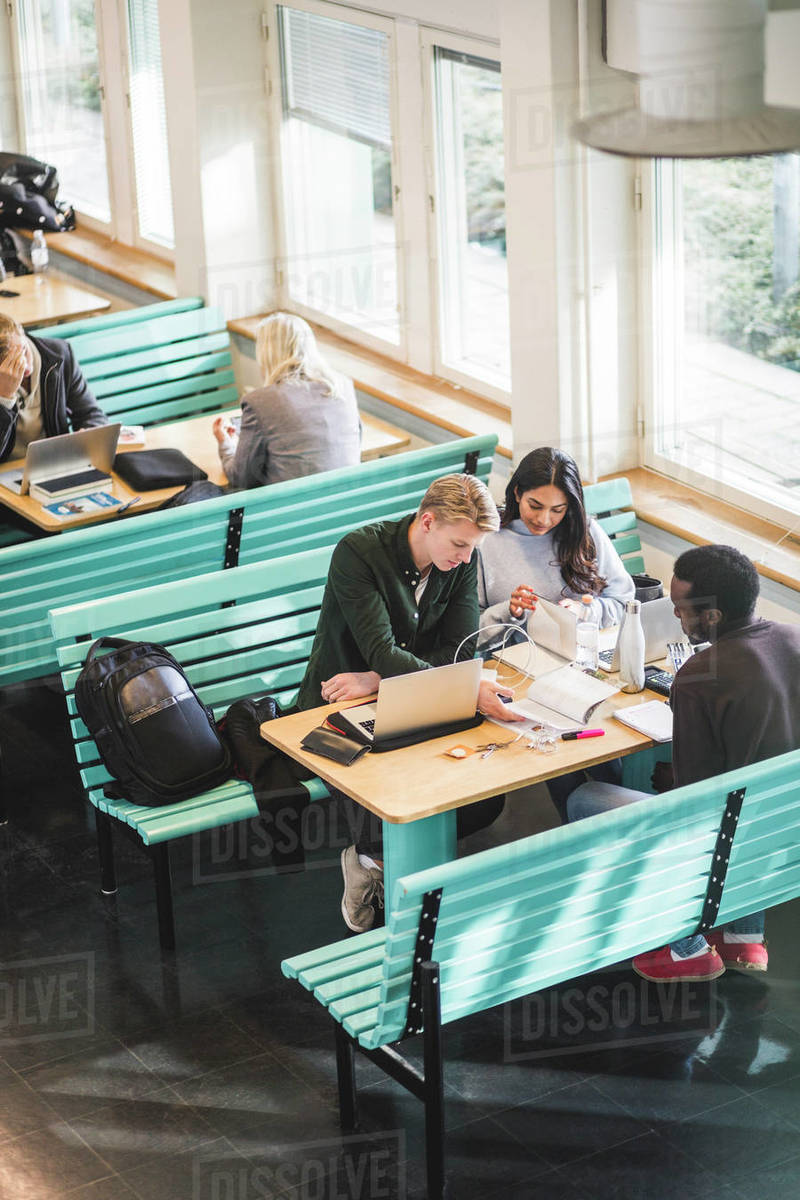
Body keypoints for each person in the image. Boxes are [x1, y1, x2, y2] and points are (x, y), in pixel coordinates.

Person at [296, 472, 524, 933]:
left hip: (400, 692)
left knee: (485, 801)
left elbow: (462, 651)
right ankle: (378, 867)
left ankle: (377, 862)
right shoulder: (359, 552)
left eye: (472, 548)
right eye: (459, 544)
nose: (465, 558)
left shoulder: (461, 560)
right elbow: (382, 648)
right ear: (427, 522)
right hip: (334, 704)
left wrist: (379, 679)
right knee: (387, 797)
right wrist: (422, 678)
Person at [567, 544, 800, 982]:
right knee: (758, 805)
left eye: (679, 609)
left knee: (586, 797)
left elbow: (694, 803)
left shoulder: (699, 674)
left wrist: (674, 778)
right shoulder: (794, 638)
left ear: (711, 616)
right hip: (788, 828)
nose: (676, 617)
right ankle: (743, 937)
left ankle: (684, 948)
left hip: (730, 836)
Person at [478, 446, 635, 820]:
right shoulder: (488, 541)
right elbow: (469, 627)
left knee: (606, 747)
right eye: (535, 505)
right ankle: (579, 825)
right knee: (559, 747)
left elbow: (623, 598)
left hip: (588, 666)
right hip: (520, 676)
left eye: (558, 510)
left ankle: (601, 823)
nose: (544, 519)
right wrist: (510, 612)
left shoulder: (585, 533)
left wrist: (587, 610)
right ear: (516, 493)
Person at [212, 311, 360, 489]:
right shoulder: (343, 385)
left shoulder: (260, 401)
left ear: (266, 353)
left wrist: (226, 445)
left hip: (293, 514)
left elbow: (241, 479)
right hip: (348, 509)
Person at [0, 312, 107, 463]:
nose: (24, 365)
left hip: (55, 463)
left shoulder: (59, 354)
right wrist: (4, 399)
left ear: (22, 332)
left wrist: (87, 434)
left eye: (23, 351)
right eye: (12, 363)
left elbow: (91, 414)